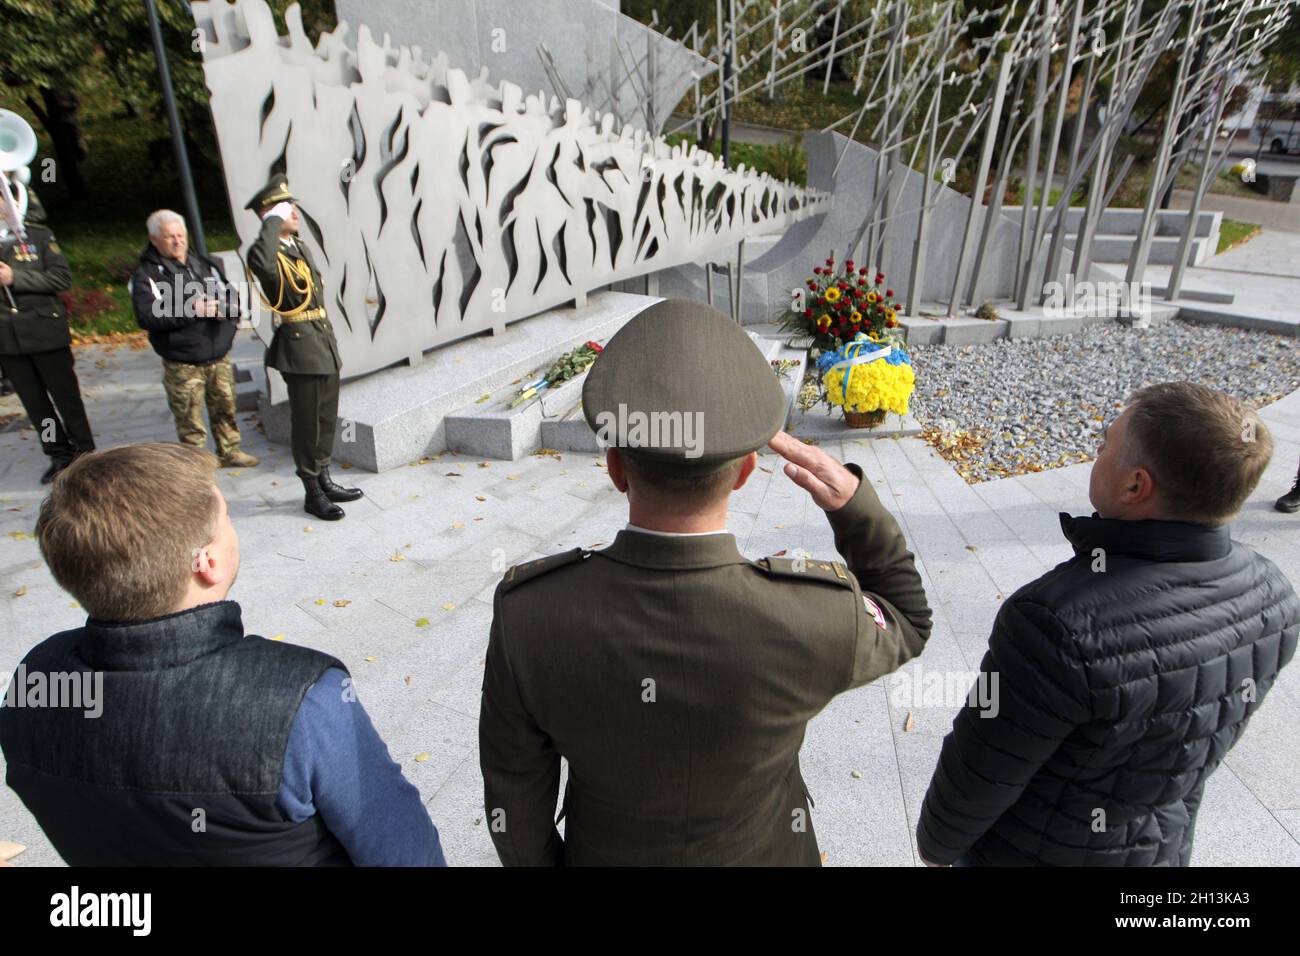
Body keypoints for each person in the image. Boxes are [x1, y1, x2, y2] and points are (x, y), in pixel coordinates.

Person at [478, 298, 933, 866]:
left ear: (615, 467)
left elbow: (515, 804)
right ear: (746, 472)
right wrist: (855, 510)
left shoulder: (531, 616)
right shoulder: (816, 615)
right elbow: (909, 620)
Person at [0, 443, 444, 866]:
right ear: (206, 562)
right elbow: (402, 849)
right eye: (226, 517)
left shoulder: (35, 680)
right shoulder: (301, 701)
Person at [916, 382, 1299, 867]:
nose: (1096, 454)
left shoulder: (1053, 623)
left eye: (1104, 446)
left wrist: (937, 847)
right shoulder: (1275, 594)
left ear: (1135, 486)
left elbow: (983, 771)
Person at [242, 175, 360, 520]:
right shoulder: (265, 250)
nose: (293, 212)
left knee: (324, 416)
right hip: (299, 347)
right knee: (307, 421)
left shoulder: (297, 246)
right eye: (284, 207)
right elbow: (263, 266)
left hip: (320, 339)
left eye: (290, 206)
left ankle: (324, 477)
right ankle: (311, 490)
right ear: (269, 215)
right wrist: (271, 221)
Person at [130, 209, 259, 468]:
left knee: (225, 406)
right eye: (170, 237)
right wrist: (192, 310)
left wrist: (227, 314)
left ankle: (230, 450)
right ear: (154, 240)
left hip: (218, 354)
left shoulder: (202, 263)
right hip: (183, 360)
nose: (178, 241)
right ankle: (195, 466)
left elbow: (232, 296)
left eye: (181, 235)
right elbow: (147, 317)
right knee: (189, 417)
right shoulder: (147, 275)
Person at [0, 175, 94, 484]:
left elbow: (60, 279)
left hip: (45, 333)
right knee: (36, 405)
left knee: (67, 399)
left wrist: (15, 278)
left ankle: (85, 454)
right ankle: (58, 453)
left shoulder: (38, 237)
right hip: (8, 341)